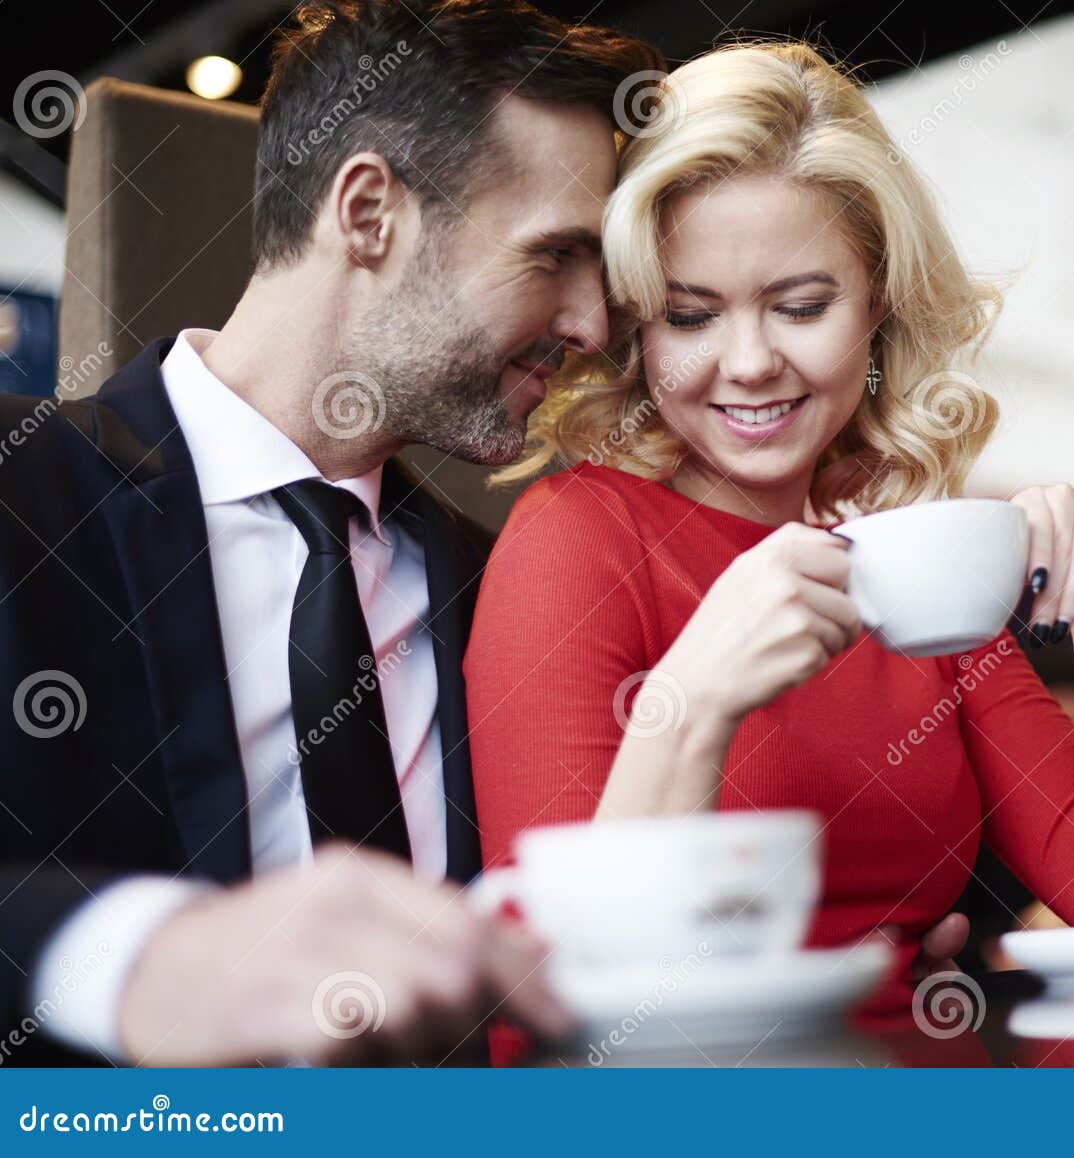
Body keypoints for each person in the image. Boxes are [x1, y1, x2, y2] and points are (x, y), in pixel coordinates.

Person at [465, 41, 1074, 1037]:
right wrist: (694, 699)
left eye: (801, 307)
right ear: (636, 329)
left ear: (877, 305)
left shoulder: (908, 562)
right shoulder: (575, 542)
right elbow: (554, 1014)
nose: (747, 364)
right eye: (690, 316)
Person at [0, 0, 663, 1065]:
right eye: (555, 257)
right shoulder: (19, 492)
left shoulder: (507, 589)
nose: (592, 325)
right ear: (367, 213)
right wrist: (135, 958)